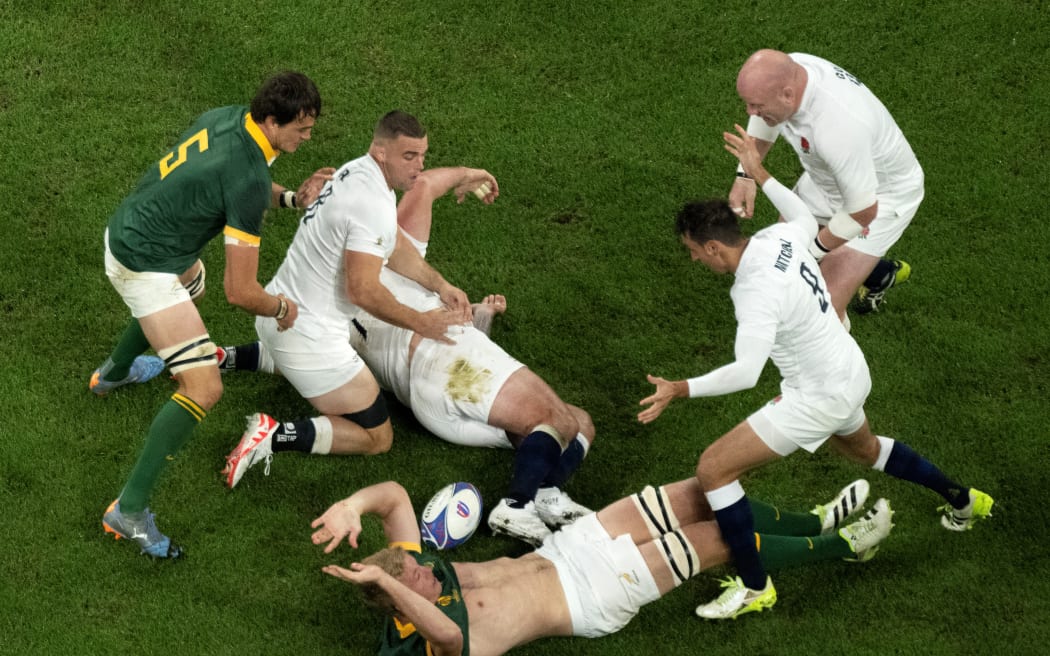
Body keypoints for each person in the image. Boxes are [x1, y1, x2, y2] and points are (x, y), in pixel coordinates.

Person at [637, 125, 993, 620]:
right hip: (849, 368)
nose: (694, 258)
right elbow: (806, 215)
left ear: (713, 248)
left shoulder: (753, 292)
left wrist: (680, 388)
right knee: (867, 450)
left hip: (817, 395)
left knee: (714, 469)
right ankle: (964, 500)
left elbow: (745, 372)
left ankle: (755, 586)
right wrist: (760, 174)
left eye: (693, 250)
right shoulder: (780, 237)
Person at [222, 166, 594, 546]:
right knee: (560, 419)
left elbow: (293, 359)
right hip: (447, 363)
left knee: (574, 423)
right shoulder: (380, 255)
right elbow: (426, 184)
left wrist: (224, 357)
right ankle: (519, 504)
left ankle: (544, 494)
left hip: (428, 398)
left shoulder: (328, 306)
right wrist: (469, 173)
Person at [92, 71, 334, 559]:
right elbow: (242, 292)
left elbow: (239, 182)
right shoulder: (246, 176)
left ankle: (112, 375)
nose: (308, 138)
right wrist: (283, 308)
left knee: (193, 284)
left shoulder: (227, 118)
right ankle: (128, 512)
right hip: (144, 267)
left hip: (132, 230)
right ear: (271, 120)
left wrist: (289, 198)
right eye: (301, 129)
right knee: (204, 388)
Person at [310, 478, 892, 655]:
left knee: (694, 494)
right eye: (418, 578)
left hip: (566, 549)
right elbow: (448, 633)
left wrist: (349, 503)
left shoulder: (415, 569)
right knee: (713, 538)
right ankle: (847, 543)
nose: (434, 570)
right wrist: (390, 580)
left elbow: (392, 497)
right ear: (396, 595)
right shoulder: (422, 644)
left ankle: (812, 521)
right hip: (588, 596)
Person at [220, 111, 476, 494]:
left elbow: (390, 242)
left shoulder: (356, 172)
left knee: (317, 359)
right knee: (378, 436)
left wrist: (439, 284)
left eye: (423, 156)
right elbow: (364, 291)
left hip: (278, 312)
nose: (419, 167)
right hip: (306, 336)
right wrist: (421, 321)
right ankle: (273, 434)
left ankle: (223, 358)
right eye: (409, 156)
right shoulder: (371, 203)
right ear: (381, 151)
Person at [728, 49, 919, 318]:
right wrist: (744, 175)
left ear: (788, 95)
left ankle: (841, 356)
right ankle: (876, 272)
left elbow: (863, 211)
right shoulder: (791, 72)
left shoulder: (838, 129)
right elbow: (765, 116)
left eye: (757, 106)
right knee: (786, 276)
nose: (751, 113)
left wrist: (813, 252)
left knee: (820, 309)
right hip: (828, 178)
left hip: (880, 197)